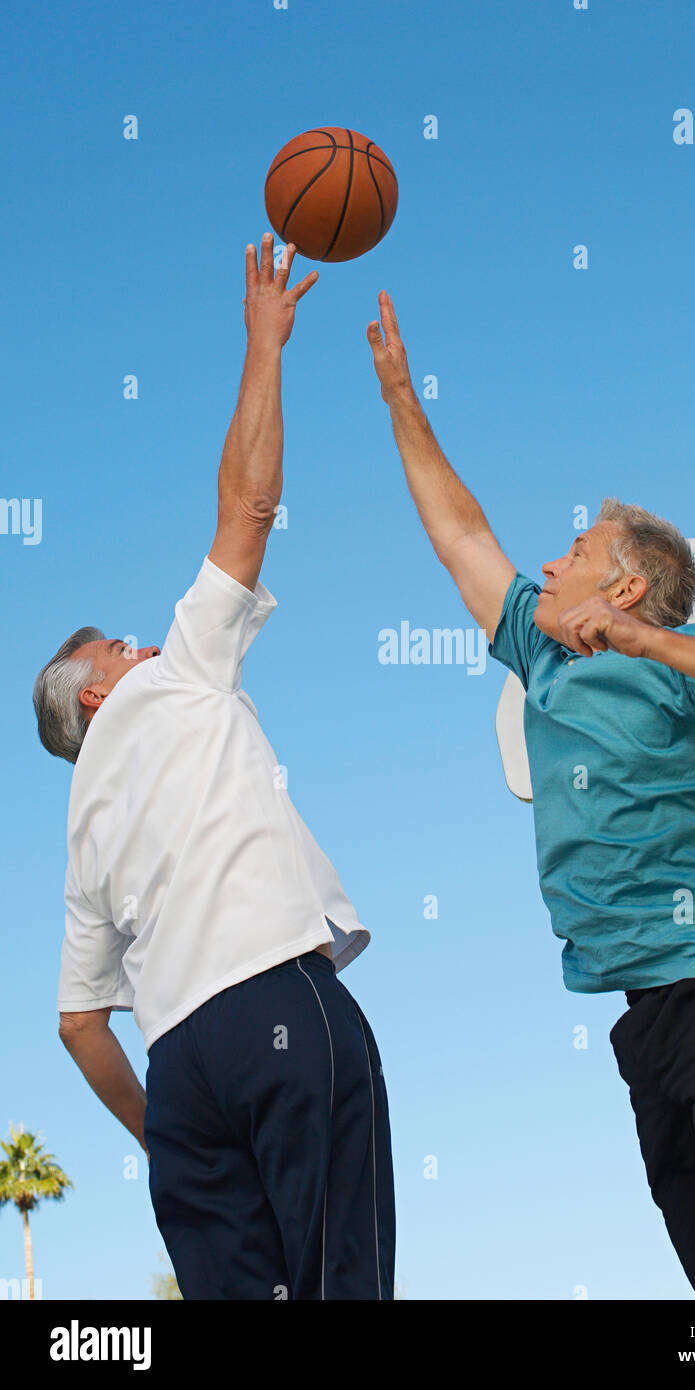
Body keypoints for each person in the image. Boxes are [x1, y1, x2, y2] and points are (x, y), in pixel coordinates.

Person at [366, 289, 695, 1302]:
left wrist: (647, 642)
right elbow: (461, 534)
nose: (546, 563)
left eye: (576, 554)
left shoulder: (689, 665)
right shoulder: (539, 658)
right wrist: (396, 396)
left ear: (625, 588)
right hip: (649, 1013)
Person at [33, 235, 395, 1301]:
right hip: (271, 997)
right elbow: (246, 509)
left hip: (185, 1068)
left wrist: (170, 1133)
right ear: (95, 693)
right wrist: (265, 344)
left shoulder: (82, 829)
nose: (134, 642)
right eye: (111, 647)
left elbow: (78, 1024)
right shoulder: (172, 678)